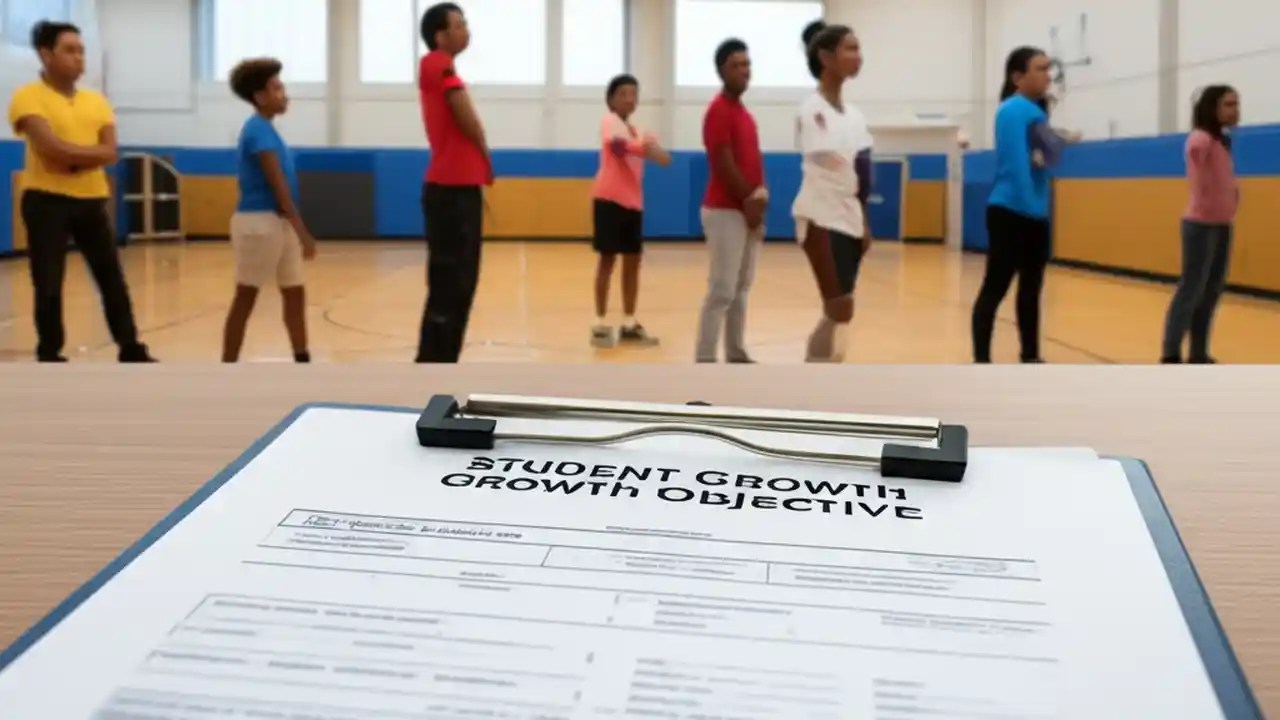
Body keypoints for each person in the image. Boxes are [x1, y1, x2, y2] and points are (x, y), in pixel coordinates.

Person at [8, 20, 155, 363]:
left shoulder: (97, 102)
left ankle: (130, 347)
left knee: (111, 278)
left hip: (91, 200)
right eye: (69, 50)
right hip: (46, 201)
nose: (79, 58)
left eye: (81, 50)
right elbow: (50, 151)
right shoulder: (28, 97)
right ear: (46, 55)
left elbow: (110, 152)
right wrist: (84, 156)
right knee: (48, 281)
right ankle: (49, 352)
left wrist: (73, 158)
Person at [970, 46, 1066, 364]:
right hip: (1011, 211)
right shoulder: (1012, 110)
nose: (1047, 75)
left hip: (1035, 212)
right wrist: (1029, 209)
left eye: (1048, 69)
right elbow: (1015, 163)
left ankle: (1031, 356)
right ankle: (981, 360)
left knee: (1031, 291)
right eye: (1039, 68)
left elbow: (1045, 159)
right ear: (1017, 77)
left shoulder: (1037, 111)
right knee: (995, 288)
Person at [221, 58, 317, 364]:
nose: (284, 94)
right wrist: (303, 233)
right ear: (260, 96)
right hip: (258, 223)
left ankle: (302, 359)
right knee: (246, 296)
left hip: (279, 223)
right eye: (277, 88)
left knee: (294, 292)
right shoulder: (257, 131)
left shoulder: (268, 130)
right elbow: (279, 187)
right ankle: (227, 366)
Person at [791, 21, 873, 363]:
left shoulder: (855, 115)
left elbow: (862, 167)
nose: (858, 56)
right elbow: (832, 162)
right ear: (826, 57)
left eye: (858, 48)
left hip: (849, 217)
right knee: (838, 305)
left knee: (844, 309)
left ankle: (828, 368)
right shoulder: (812, 109)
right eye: (850, 48)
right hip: (820, 215)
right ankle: (816, 372)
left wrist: (863, 220)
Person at [416, 2, 493, 363]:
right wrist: (482, 144)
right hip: (451, 193)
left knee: (459, 287)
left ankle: (442, 362)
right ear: (440, 35)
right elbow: (465, 114)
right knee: (450, 287)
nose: (467, 31)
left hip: (458, 190)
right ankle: (433, 367)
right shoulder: (436, 62)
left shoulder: (441, 66)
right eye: (459, 25)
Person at [695, 38, 766, 364]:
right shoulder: (718, 111)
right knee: (722, 290)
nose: (744, 71)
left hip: (747, 211)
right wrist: (748, 199)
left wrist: (760, 198)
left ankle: (736, 353)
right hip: (725, 211)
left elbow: (752, 161)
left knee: (741, 289)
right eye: (737, 65)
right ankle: (705, 360)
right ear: (722, 70)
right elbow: (723, 164)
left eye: (747, 64)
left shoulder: (745, 114)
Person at [1160, 85, 1240, 364]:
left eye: (1236, 104)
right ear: (1212, 108)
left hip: (1223, 224)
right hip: (1200, 225)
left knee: (1211, 290)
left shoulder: (1222, 140)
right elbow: (1194, 152)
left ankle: (1198, 353)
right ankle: (1170, 353)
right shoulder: (1201, 138)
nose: (1235, 110)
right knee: (1191, 288)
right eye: (1228, 104)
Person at [590, 74, 670, 348]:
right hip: (609, 199)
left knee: (632, 264)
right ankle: (599, 323)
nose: (629, 99)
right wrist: (643, 148)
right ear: (612, 99)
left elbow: (663, 158)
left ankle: (629, 322)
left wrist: (655, 150)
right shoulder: (609, 122)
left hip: (633, 202)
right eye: (623, 93)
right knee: (607, 261)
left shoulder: (639, 131)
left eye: (633, 94)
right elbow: (617, 147)